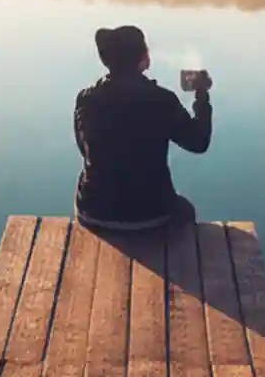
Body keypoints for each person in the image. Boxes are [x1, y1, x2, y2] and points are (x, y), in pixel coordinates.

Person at [73, 25, 213, 230]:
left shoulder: (86, 99)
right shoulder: (162, 100)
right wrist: (201, 97)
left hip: (92, 213)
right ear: (144, 57)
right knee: (186, 210)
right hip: (152, 215)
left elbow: (84, 149)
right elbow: (199, 142)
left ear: (106, 61)